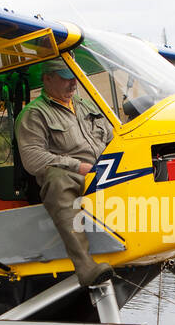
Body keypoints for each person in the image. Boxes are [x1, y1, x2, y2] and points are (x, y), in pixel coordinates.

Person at [15, 59, 114, 286]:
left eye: (74, 77)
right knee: (57, 181)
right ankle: (85, 266)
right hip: (73, 177)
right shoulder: (34, 114)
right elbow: (32, 159)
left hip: (105, 171)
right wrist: (78, 166)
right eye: (64, 77)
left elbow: (112, 138)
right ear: (47, 79)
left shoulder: (88, 106)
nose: (73, 84)